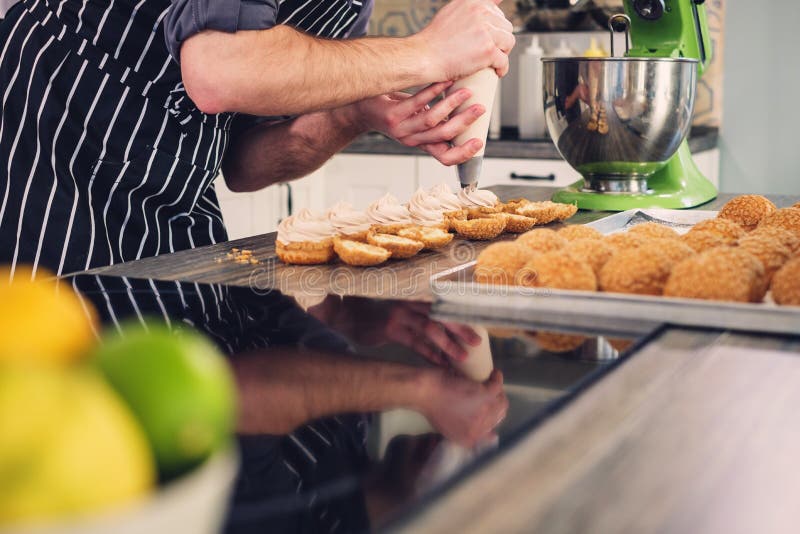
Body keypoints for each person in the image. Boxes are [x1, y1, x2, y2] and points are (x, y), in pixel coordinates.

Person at [0, 0, 514, 279]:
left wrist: (352, 114)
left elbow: (243, 164)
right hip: (53, 138)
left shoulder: (349, 7)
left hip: (177, 190)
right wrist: (428, 51)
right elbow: (220, 71)